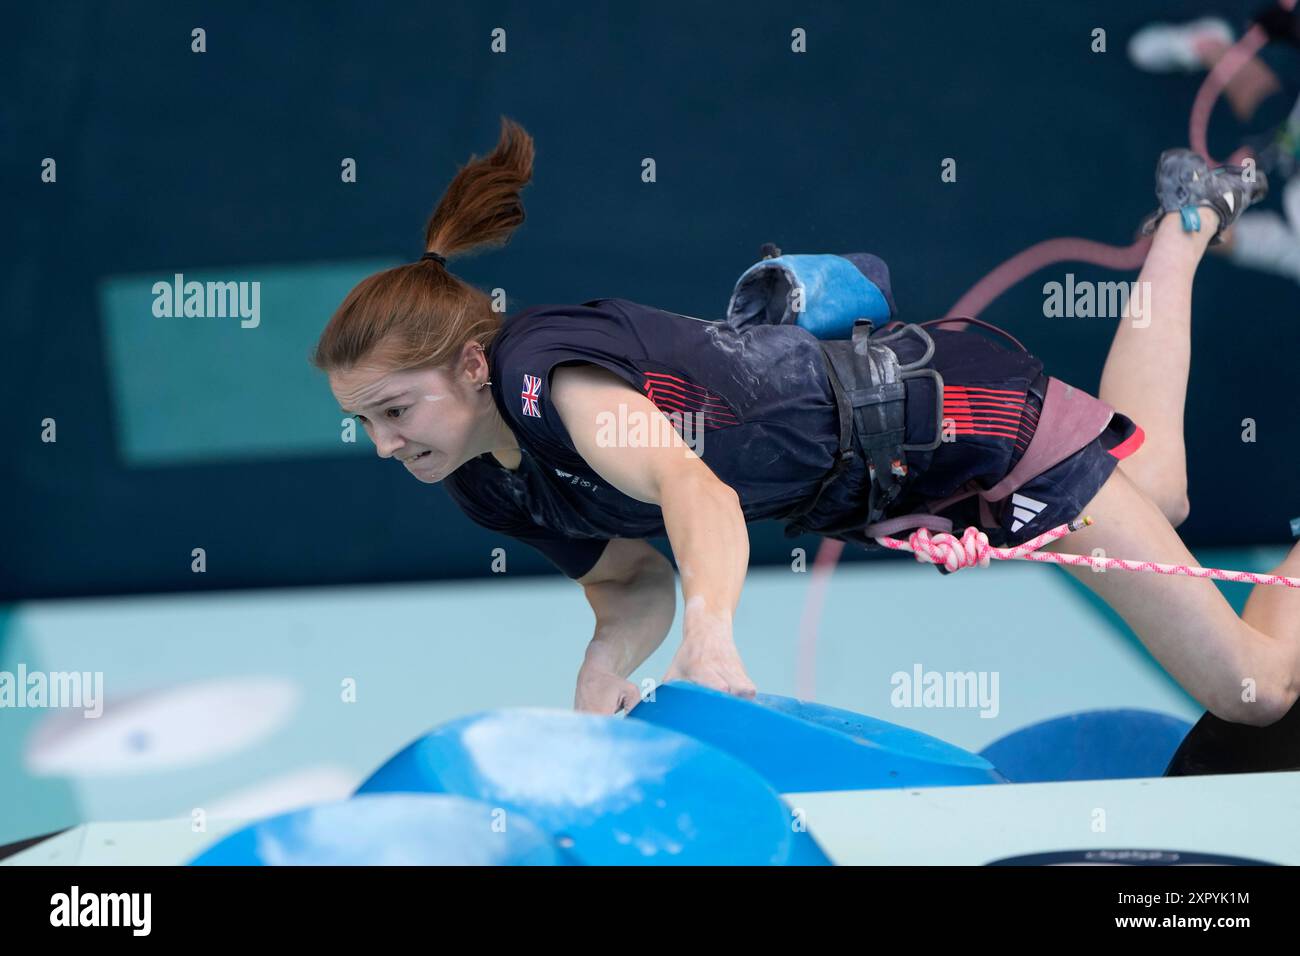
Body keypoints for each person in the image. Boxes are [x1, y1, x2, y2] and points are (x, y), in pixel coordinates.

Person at [312, 118, 1300, 725]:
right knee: (1156, 486)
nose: (387, 444)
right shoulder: (488, 479)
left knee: (1252, 690)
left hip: (954, 415)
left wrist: (712, 636)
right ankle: (1184, 224)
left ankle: (1182, 230)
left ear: (474, 364)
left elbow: (692, 490)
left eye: (395, 410)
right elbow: (628, 577)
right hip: (888, 479)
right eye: (367, 423)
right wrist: (601, 670)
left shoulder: (543, 378)